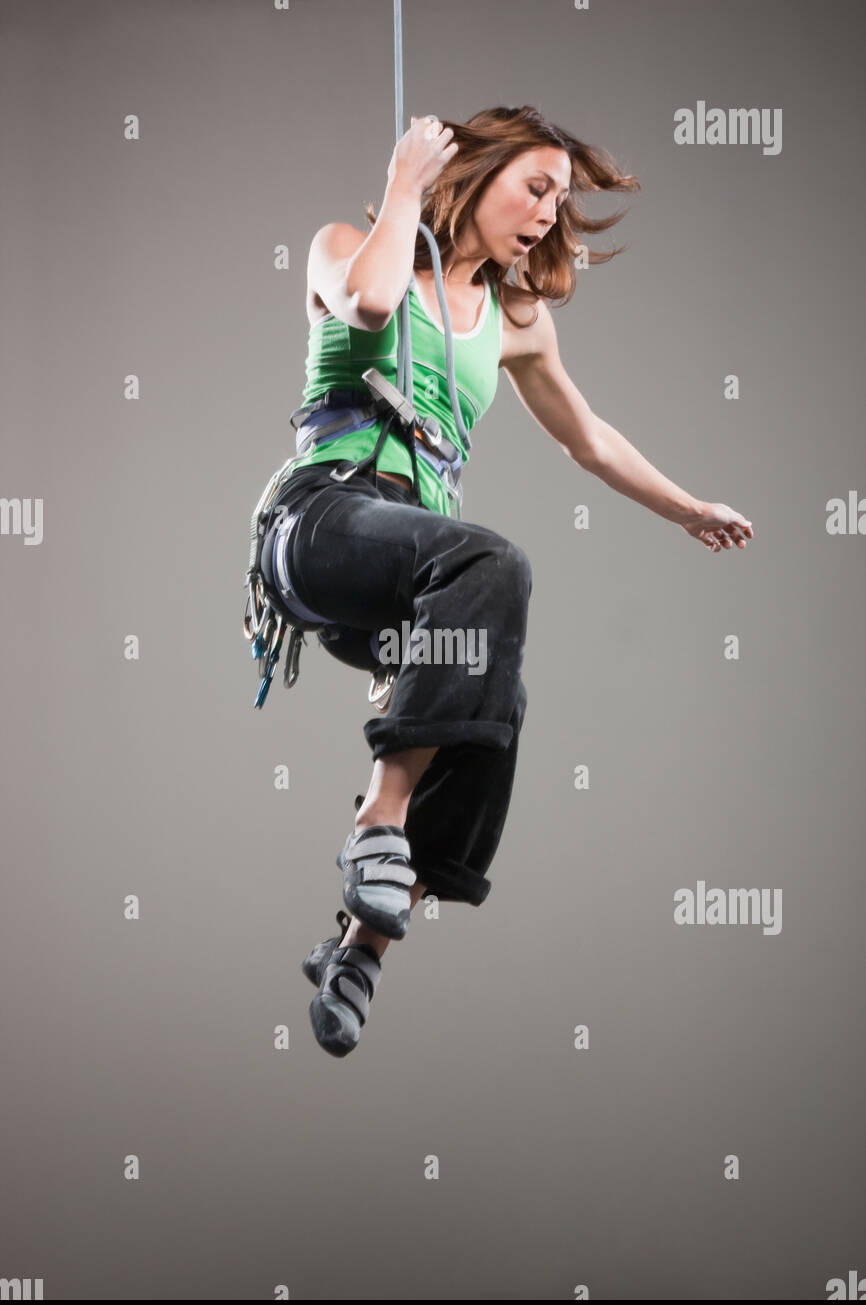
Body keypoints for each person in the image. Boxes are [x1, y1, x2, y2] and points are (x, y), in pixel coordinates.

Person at [260, 106, 753, 1058]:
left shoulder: (517, 321)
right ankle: (379, 820)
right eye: (534, 186)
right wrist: (405, 187)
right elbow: (366, 307)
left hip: (411, 577)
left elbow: (591, 440)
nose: (545, 214)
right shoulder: (345, 248)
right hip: (320, 526)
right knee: (493, 561)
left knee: (498, 694)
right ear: (475, 175)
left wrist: (689, 508)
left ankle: (361, 946)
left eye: (559, 200)